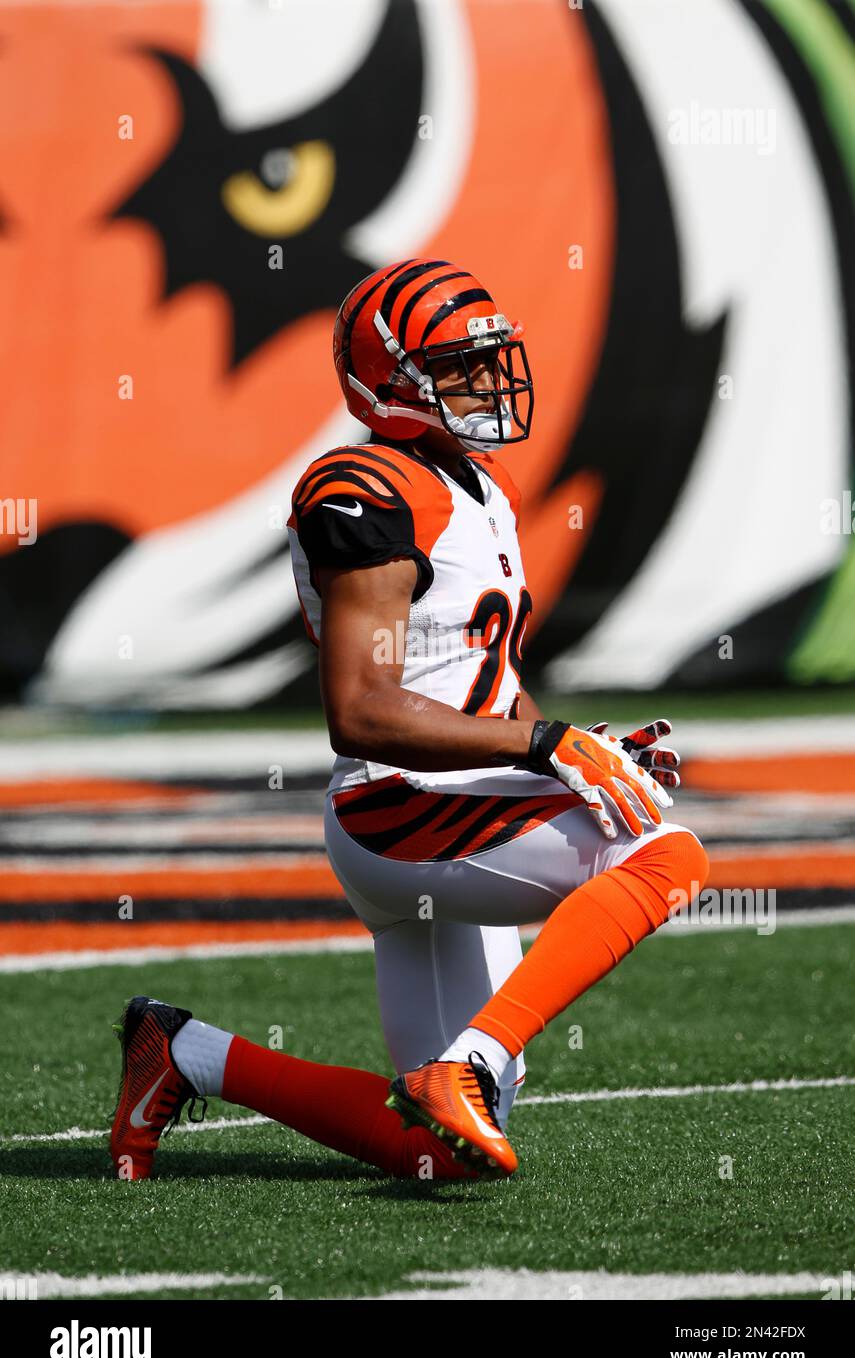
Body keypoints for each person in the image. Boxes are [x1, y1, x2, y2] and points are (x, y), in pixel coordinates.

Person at [110, 258, 708, 1182]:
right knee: (666, 857)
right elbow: (363, 709)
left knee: (440, 1154)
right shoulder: (366, 488)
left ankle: (184, 1053)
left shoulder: (484, 488)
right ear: (390, 380)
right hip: (398, 805)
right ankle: (463, 1066)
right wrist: (541, 746)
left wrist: (575, 751)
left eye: (491, 357)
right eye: (461, 364)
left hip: (449, 808)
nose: (490, 379)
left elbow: (488, 685)